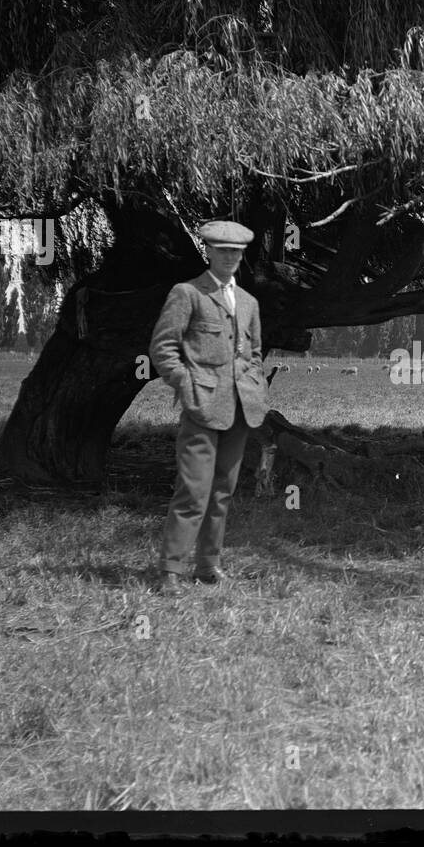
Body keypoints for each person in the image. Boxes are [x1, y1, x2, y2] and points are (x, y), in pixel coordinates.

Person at [149, 221, 270, 594]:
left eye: (236, 252)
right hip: (201, 408)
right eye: (223, 251)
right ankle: (171, 568)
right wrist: (186, 384)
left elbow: (255, 352)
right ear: (210, 252)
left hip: (240, 409)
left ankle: (208, 564)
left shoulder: (249, 302)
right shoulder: (187, 293)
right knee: (194, 489)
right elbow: (163, 347)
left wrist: (253, 384)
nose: (231, 258)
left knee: (223, 490)